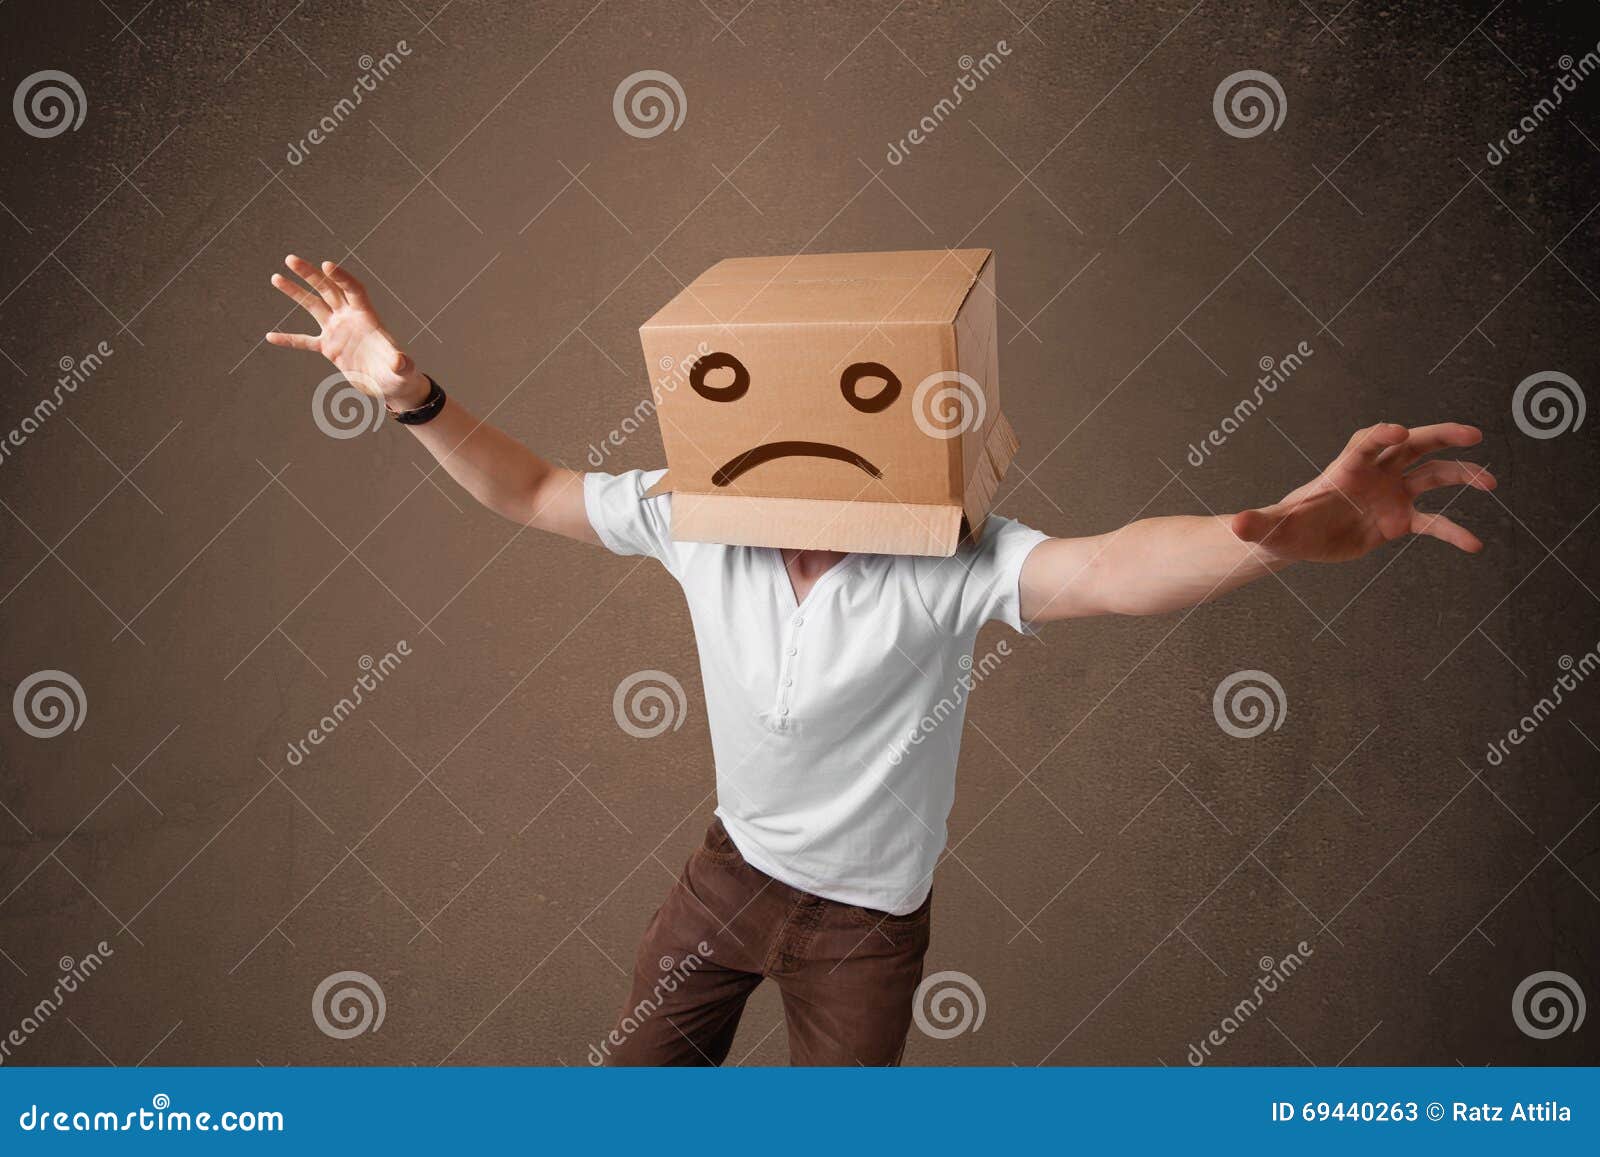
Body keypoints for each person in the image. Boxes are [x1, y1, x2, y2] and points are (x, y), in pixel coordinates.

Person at [266, 255, 1495, 1066]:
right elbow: (529, 486)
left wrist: (1276, 529)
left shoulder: (945, 557)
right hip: (727, 876)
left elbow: (1111, 568)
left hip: (865, 921)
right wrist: (409, 392)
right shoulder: (697, 515)